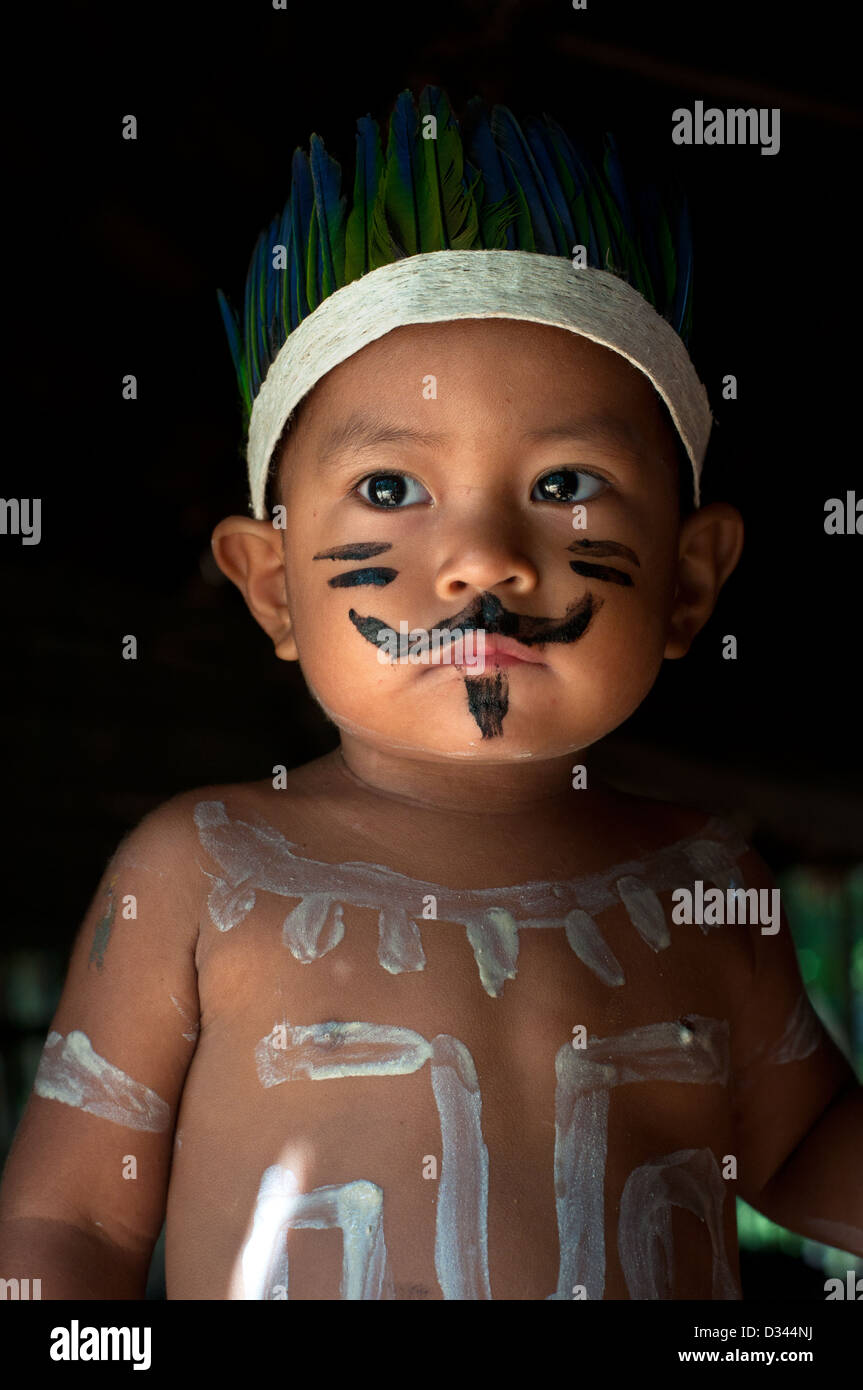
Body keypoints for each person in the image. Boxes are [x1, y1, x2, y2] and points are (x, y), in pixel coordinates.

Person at [1, 87, 860, 1300]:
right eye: (392, 490)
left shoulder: (709, 882)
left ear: (687, 578)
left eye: (566, 480)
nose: (483, 560)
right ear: (271, 586)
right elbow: (73, 1218)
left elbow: (799, 1141)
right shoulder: (199, 867)